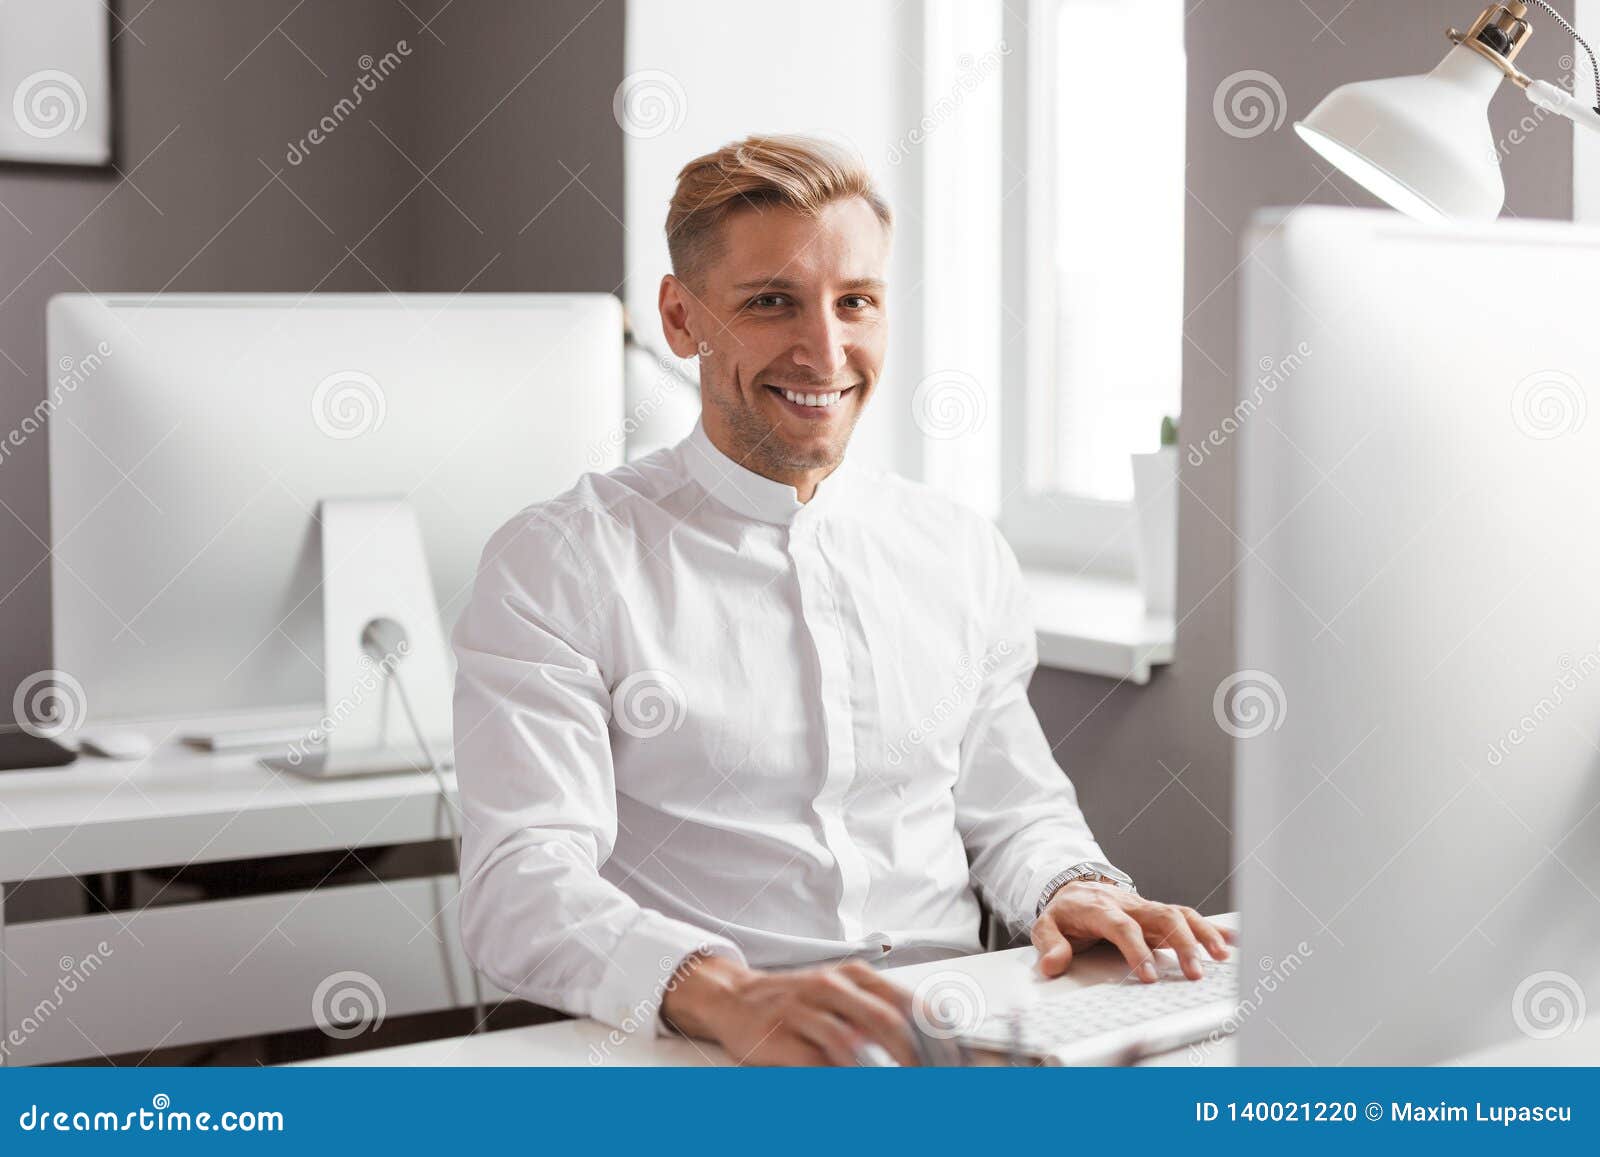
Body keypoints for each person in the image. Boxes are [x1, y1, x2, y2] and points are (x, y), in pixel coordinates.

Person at [451, 134, 1232, 1066]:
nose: (825, 349)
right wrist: (726, 993)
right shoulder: (560, 561)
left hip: (964, 1034)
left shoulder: (957, 547)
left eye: (855, 300)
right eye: (771, 302)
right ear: (680, 316)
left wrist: (1073, 884)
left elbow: (1014, 810)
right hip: (709, 1043)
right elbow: (519, 884)